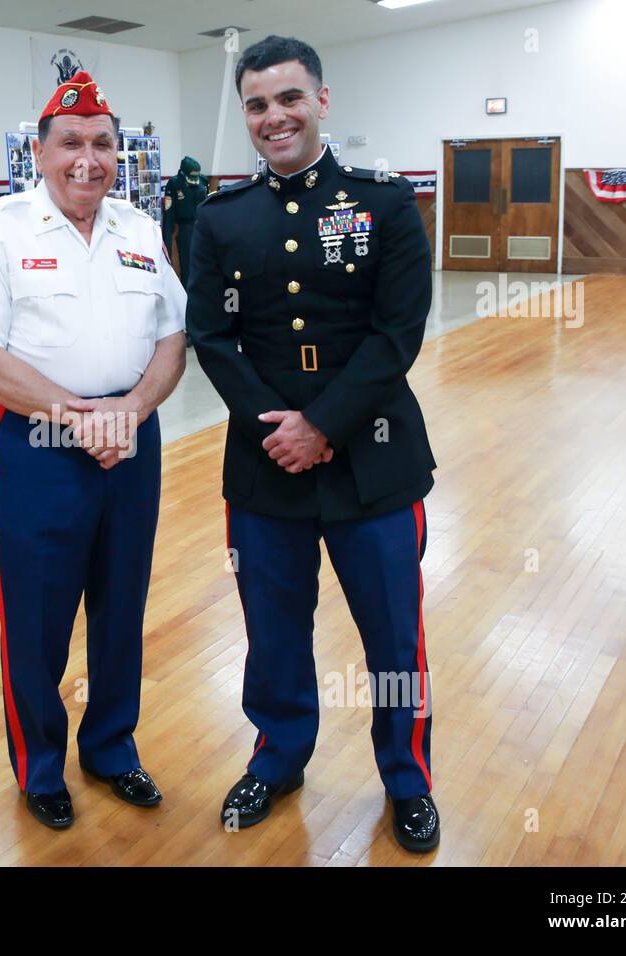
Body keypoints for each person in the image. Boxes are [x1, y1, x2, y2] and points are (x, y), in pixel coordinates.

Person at [187, 35, 441, 852]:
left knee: (394, 636)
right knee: (273, 628)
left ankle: (407, 779)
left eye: (289, 98)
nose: (274, 117)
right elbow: (212, 335)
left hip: (373, 460)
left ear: (322, 100)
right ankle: (279, 755)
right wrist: (281, 431)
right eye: (257, 104)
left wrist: (323, 425)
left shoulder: (384, 201)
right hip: (267, 469)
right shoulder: (222, 217)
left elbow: (396, 332)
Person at [0, 71, 186, 830]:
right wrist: (80, 416)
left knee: (121, 606)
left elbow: (172, 340)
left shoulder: (141, 230)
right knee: (37, 615)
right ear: (40, 154)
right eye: (71, 143)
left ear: (119, 154)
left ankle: (112, 749)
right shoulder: (2, 229)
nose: (88, 159)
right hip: (36, 445)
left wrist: (131, 409)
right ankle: (40, 764)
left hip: (132, 442)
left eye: (102, 144)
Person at [160, 155, 208, 287]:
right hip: (185, 230)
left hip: (202, 228)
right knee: (187, 266)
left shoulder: (203, 181)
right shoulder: (174, 184)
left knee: (204, 264)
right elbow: (169, 215)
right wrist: (167, 245)